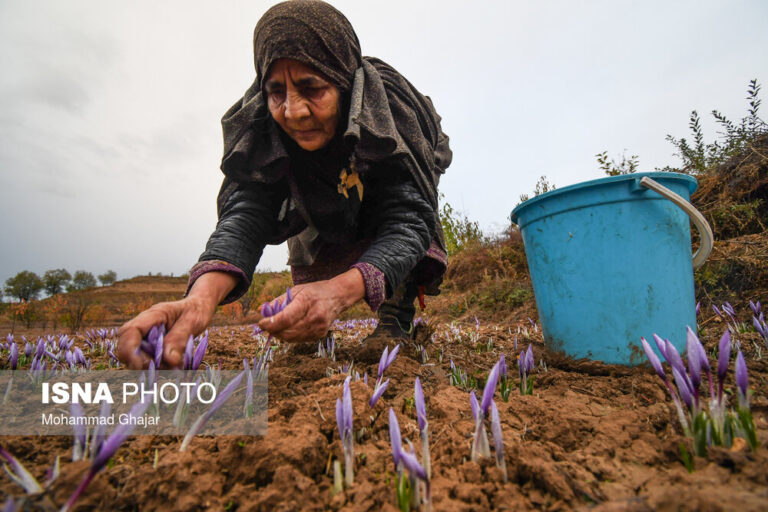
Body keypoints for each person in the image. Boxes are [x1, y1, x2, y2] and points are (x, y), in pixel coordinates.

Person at [117, 0, 452, 369]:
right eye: (277, 92)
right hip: (318, 187)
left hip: (392, 164)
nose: (293, 111)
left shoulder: (390, 113)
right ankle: (310, 316)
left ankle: (395, 312)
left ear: (343, 83)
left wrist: (339, 293)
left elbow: (409, 219)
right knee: (309, 232)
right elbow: (247, 214)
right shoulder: (263, 123)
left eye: (312, 88)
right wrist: (200, 300)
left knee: (393, 224)